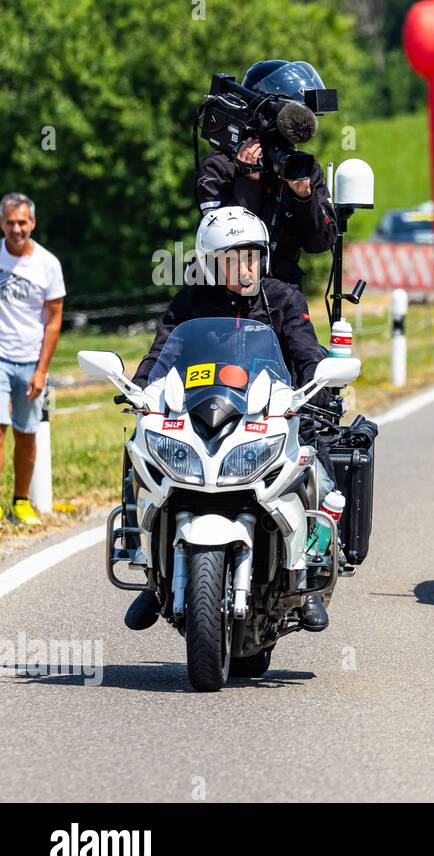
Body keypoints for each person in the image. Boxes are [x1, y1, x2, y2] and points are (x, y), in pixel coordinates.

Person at [123, 206, 336, 633]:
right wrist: (139, 390)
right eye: (234, 257)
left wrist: (321, 386)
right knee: (137, 450)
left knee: (321, 473)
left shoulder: (282, 298)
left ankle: (308, 576)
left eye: (253, 255)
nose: (246, 266)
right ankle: (149, 568)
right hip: (200, 414)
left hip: (270, 414)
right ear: (210, 262)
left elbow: (308, 353)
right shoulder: (191, 302)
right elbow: (161, 354)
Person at [194, 60, 338, 287]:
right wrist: (248, 180)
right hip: (227, 293)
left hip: (283, 294)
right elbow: (221, 241)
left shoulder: (303, 169)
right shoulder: (218, 167)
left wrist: (304, 197)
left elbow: (319, 243)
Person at [0, 193, 65, 527]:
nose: (16, 228)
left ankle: (20, 501)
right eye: (10, 222)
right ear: (2, 223)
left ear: (32, 223)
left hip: (30, 360)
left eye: (22, 222)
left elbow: (54, 321)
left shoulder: (48, 264)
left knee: (26, 434)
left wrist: (41, 369)